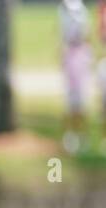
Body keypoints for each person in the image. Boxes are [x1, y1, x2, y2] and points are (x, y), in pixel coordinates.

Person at [61, 0, 93, 153]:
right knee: (70, 101)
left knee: (80, 101)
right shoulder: (63, 11)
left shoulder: (80, 11)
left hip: (79, 59)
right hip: (70, 58)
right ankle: (72, 136)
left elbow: (84, 35)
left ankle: (82, 136)